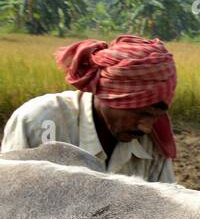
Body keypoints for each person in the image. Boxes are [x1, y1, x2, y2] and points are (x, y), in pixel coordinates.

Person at [2, 35, 177, 183]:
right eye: (140, 113)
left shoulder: (154, 144)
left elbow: (169, 214)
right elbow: (9, 197)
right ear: (108, 95)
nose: (145, 128)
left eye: (155, 117)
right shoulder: (39, 121)